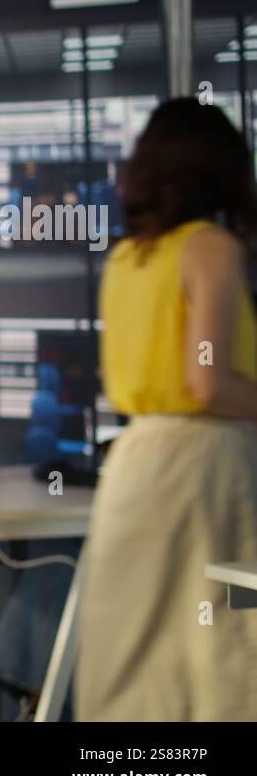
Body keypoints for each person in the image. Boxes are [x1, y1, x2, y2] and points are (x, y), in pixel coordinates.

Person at [75, 98, 257, 721]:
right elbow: (207, 383)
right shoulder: (210, 246)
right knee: (215, 651)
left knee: (135, 657)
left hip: (136, 463)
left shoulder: (128, 256)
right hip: (201, 464)